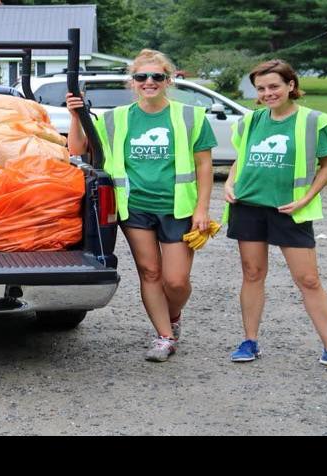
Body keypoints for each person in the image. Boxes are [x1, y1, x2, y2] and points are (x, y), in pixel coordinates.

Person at [66, 49, 216, 362]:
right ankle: (164, 337)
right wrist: (75, 116)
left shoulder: (190, 116)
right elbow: (77, 149)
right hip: (134, 209)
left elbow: (204, 167)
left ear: (168, 80)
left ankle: (173, 316)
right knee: (149, 273)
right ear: (132, 83)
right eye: (141, 77)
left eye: (157, 76)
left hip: (177, 208)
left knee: (176, 281)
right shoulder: (115, 119)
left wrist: (202, 209)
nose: (149, 82)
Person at [222, 59, 327, 373]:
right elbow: (242, 160)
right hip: (248, 207)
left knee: (308, 280)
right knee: (253, 274)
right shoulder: (250, 122)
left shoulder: (312, 122)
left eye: (274, 86)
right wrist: (230, 184)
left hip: (289, 210)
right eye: (261, 88)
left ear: (291, 86)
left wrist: (307, 197)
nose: (268, 93)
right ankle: (249, 341)